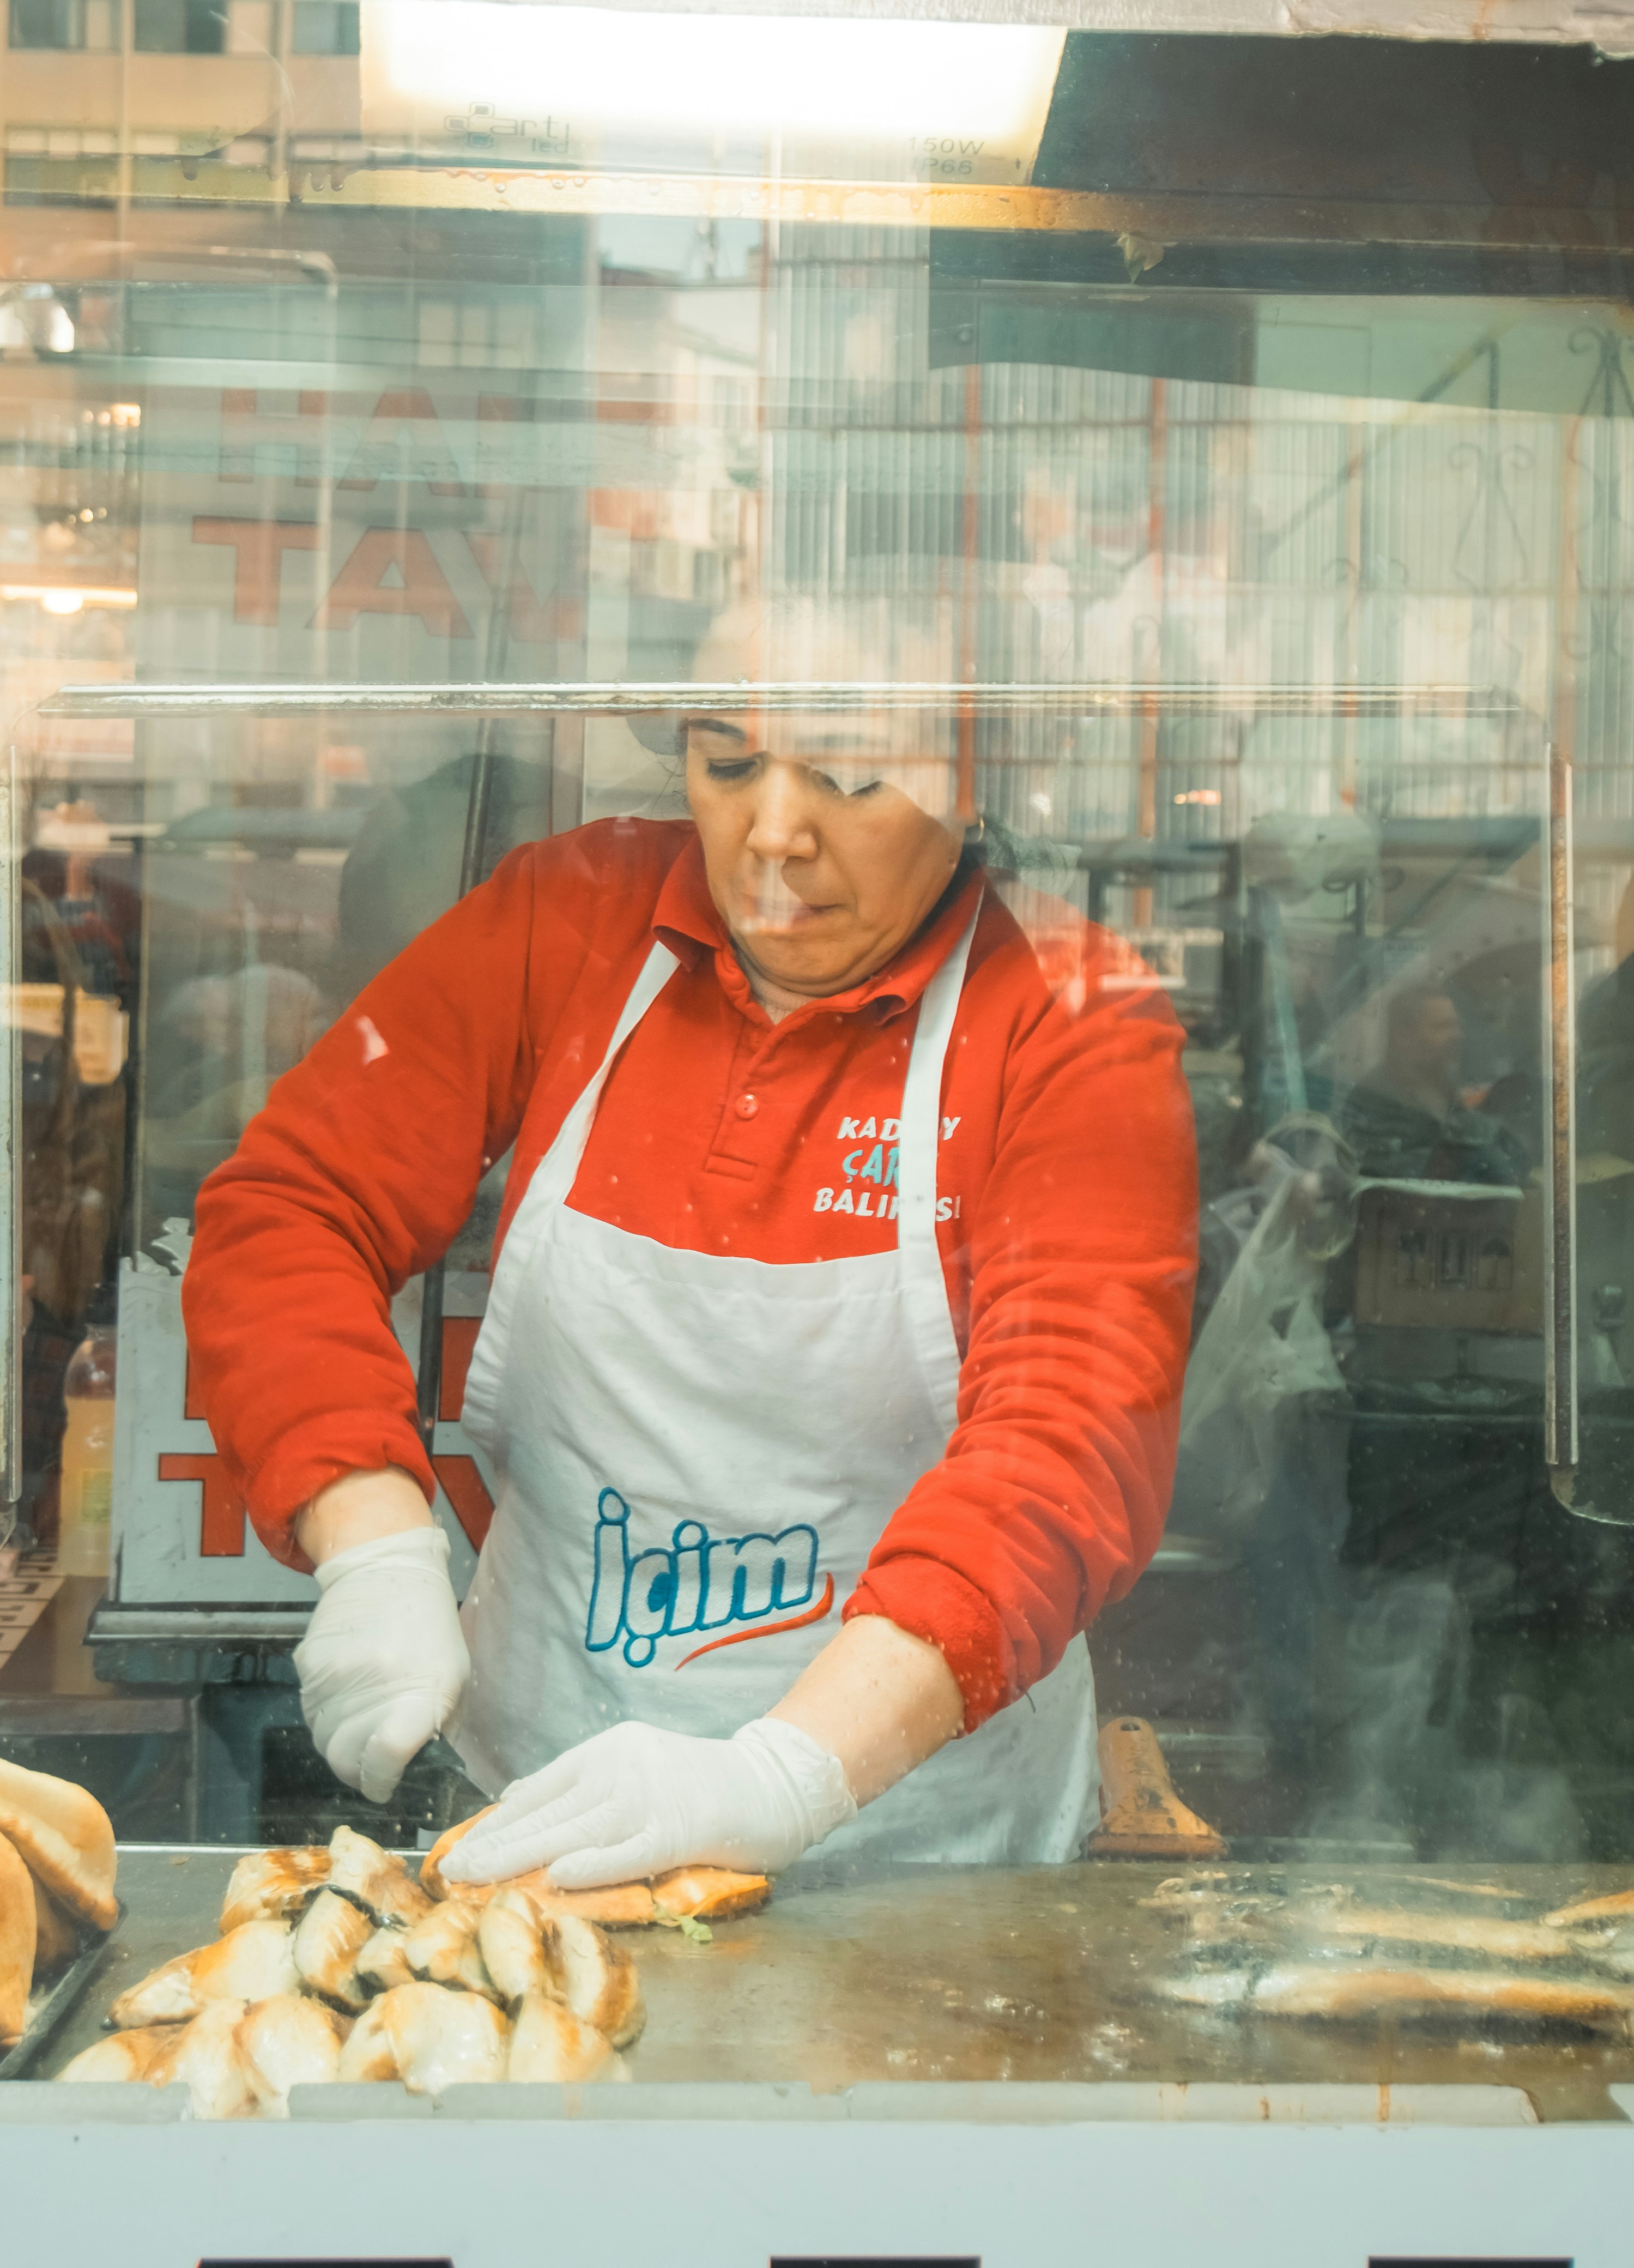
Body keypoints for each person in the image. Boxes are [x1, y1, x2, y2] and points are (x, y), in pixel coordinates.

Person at [183, 623, 1199, 1888]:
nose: (775, 833)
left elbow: (1069, 1438)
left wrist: (784, 1774)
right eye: (728, 763)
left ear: (970, 777)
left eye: (849, 775)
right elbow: (289, 1207)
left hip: (924, 1853)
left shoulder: (1059, 1011)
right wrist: (372, 1535)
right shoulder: (573, 917)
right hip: (541, 1805)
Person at [1335, 983, 1529, 1187]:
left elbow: (1512, 1159)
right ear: (1404, 1038)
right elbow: (1397, 1178)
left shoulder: (1445, 1089)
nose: (1458, 1035)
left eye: (1457, 1025)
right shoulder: (1373, 1099)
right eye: (1443, 1027)